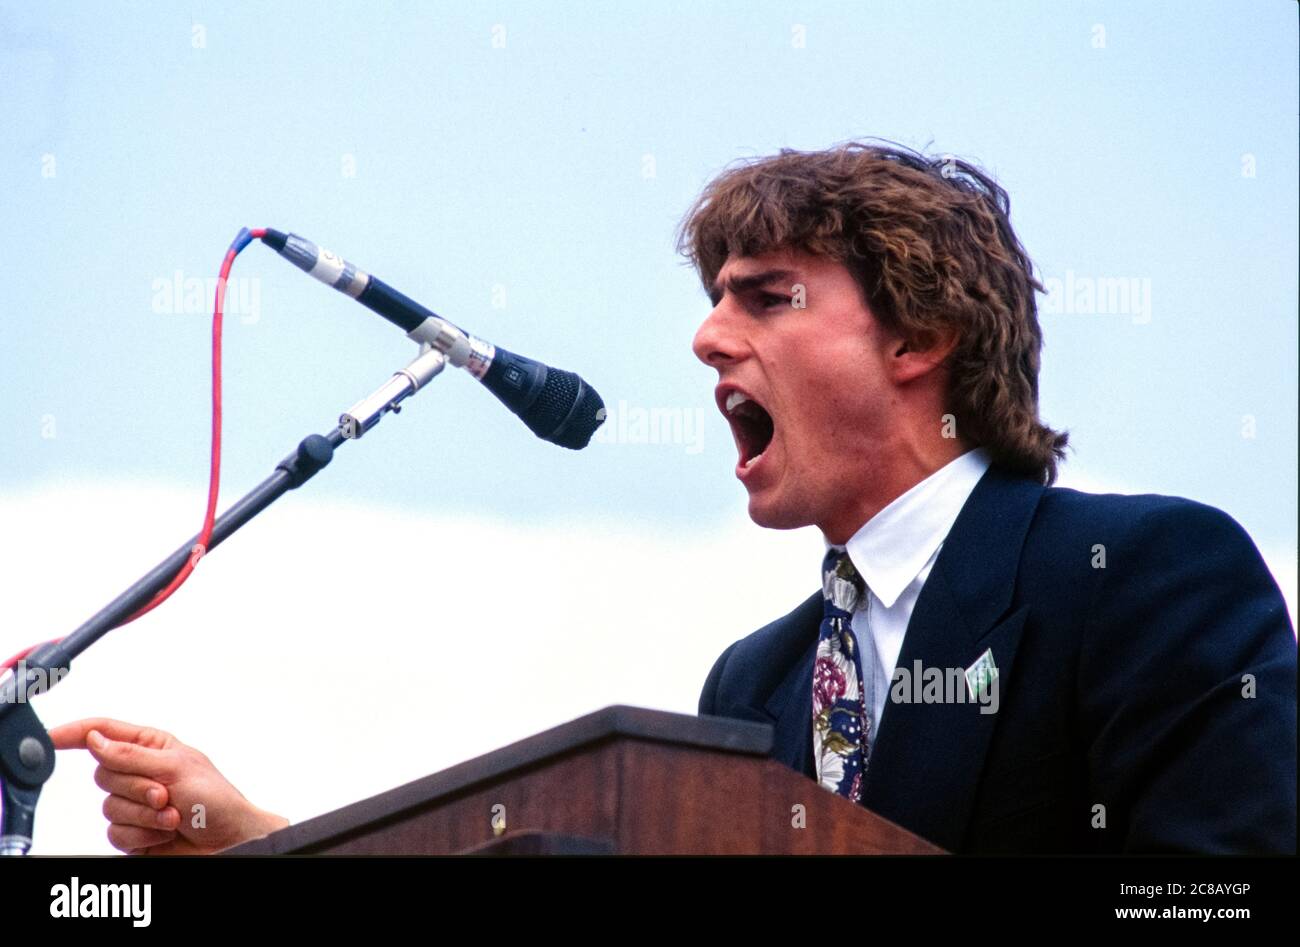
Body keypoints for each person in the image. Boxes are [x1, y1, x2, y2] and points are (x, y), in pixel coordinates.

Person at [49, 141, 1297, 854]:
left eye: (764, 295)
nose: (706, 339)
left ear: (918, 335)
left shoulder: (1143, 572)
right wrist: (257, 837)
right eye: (712, 300)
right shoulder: (749, 687)